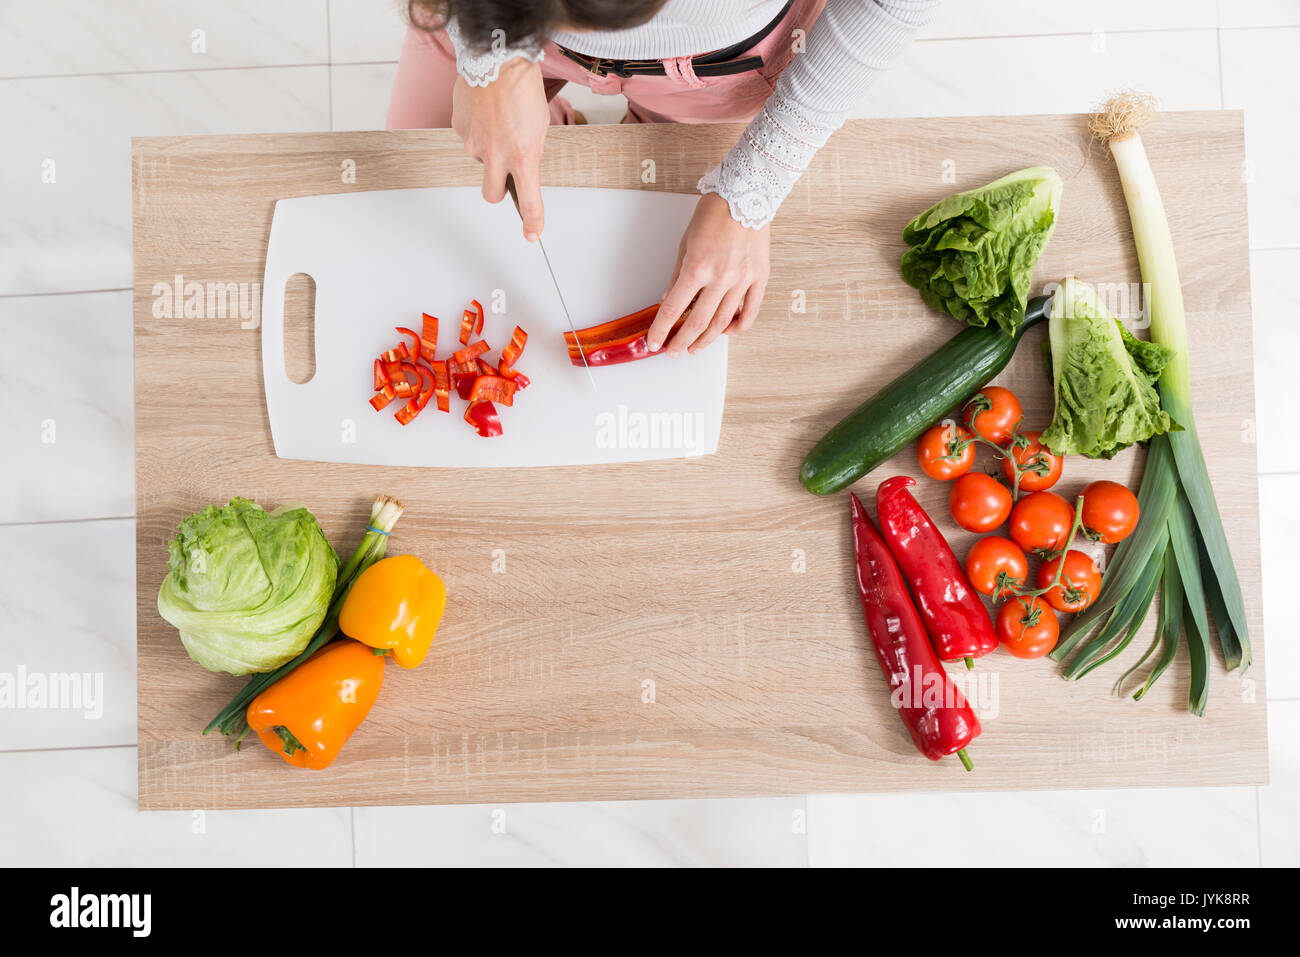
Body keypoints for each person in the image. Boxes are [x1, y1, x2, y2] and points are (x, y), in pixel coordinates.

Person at [388, 0, 939, 357]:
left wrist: (755, 186)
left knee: (657, 212)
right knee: (424, 173)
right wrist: (488, 55)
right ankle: (550, 119)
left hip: (714, 70)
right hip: (496, 15)